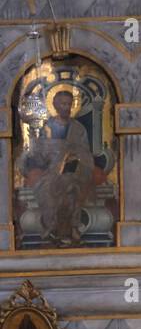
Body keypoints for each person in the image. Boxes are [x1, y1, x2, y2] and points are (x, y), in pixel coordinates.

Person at [19, 87, 105, 246]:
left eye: (69, 104)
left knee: (72, 186)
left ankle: (71, 228)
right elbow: (37, 155)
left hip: (76, 170)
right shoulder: (46, 127)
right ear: (55, 105)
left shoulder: (78, 128)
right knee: (48, 188)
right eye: (63, 104)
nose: (66, 107)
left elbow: (85, 152)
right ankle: (53, 229)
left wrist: (73, 157)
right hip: (50, 171)